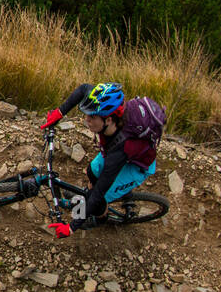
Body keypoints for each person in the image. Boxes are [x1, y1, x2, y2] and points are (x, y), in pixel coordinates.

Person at [38, 82, 160, 237]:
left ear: (108, 120)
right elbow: (83, 89)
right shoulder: (102, 107)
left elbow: (98, 194)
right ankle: (82, 203)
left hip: (137, 166)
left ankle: (100, 217)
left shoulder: (120, 149)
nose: (87, 120)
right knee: (91, 171)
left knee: (95, 198)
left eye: (92, 117)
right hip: (117, 150)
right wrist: (59, 113)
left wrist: (71, 227)